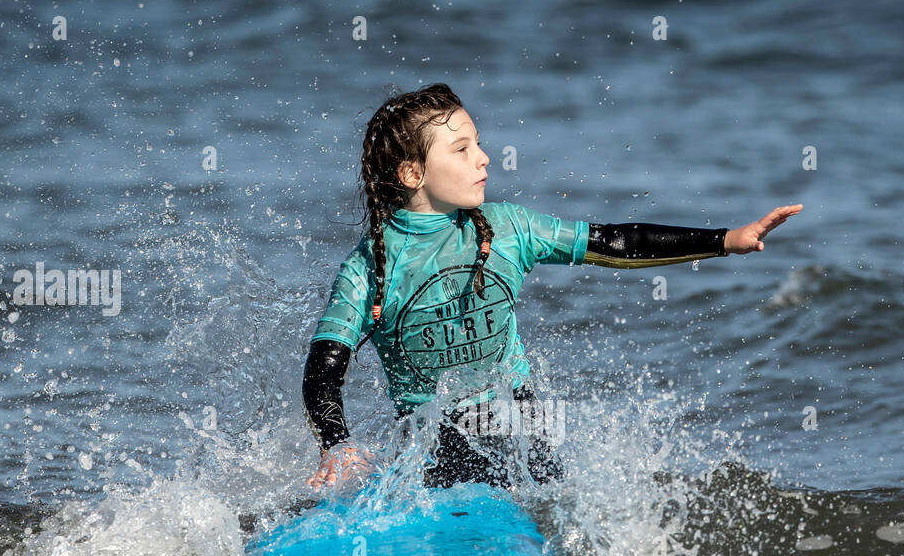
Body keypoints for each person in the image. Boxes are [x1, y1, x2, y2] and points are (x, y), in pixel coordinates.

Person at [304, 83, 801, 491]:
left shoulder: (511, 229)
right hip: (430, 435)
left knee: (513, 441)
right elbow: (325, 368)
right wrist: (337, 444)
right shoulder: (370, 267)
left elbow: (616, 242)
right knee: (444, 447)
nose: (485, 159)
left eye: (478, 143)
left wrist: (727, 240)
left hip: (519, 421)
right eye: (463, 149)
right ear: (413, 173)